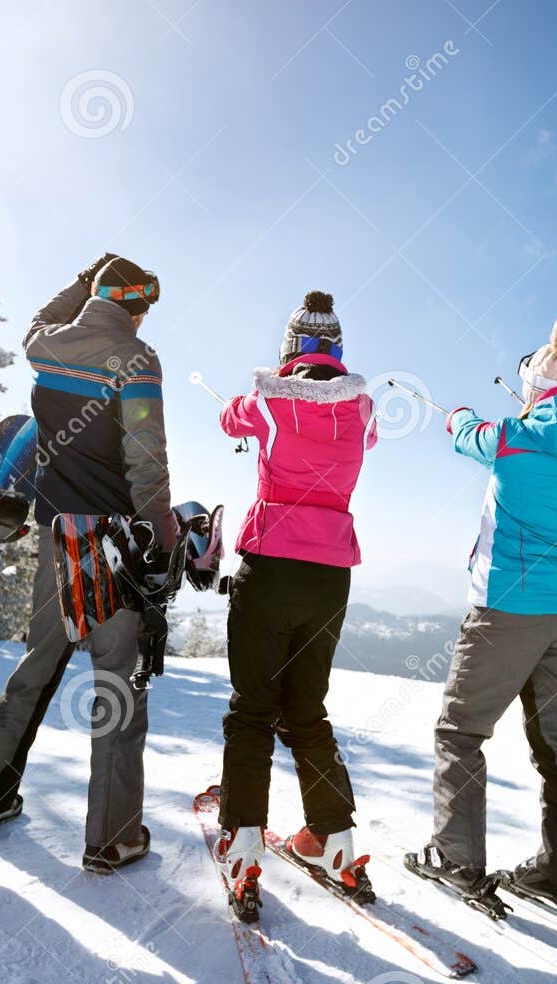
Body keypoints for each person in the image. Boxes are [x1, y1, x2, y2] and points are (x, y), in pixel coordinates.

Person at [0, 255, 170, 874]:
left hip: (57, 538)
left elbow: (36, 322)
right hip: (112, 545)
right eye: (145, 306)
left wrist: (81, 283)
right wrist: (160, 533)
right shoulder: (138, 360)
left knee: (36, 670)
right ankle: (111, 838)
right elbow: (145, 458)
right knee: (117, 686)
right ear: (136, 305)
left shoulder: (48, 346)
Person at [411, 315, 557, 911]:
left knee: (460, 731)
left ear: (536, 386)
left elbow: (464, 432)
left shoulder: (510, 436)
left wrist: (457, 415)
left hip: (505, 607)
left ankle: (457, 858)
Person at [211, 292, 378, 918]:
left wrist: (267, 392)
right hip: (330, 574)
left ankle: (244, 845)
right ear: (337, 353)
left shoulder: (272, 401)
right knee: (307, 709)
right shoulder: (360, 408)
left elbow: (230, 419)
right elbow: (370, 436)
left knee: (253, 708)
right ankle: (334, 840)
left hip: (272, 565)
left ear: (291, 351)